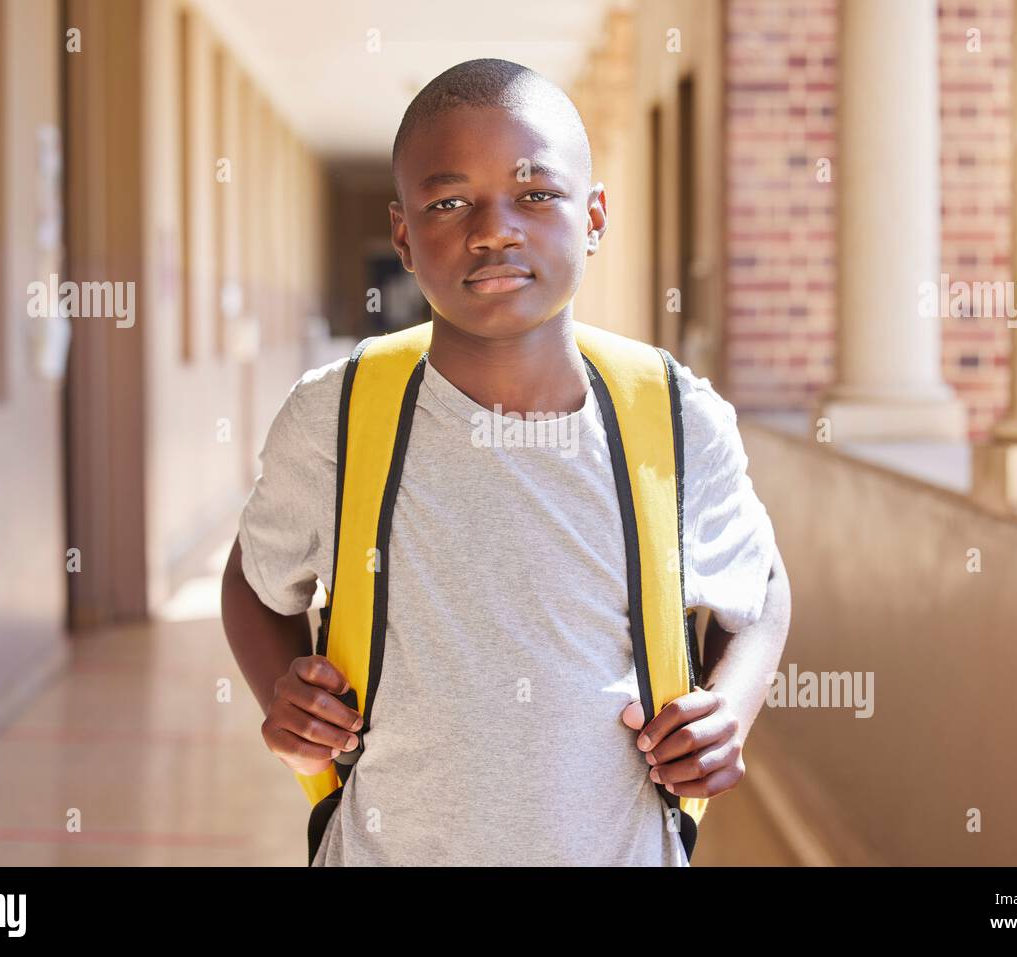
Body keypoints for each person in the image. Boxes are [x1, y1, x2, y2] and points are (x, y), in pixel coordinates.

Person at [220, 58, 791, 866]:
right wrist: (289, 700)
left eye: (536, 194)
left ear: (594, 216)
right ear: (402, 235)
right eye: (449, 202)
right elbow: (251, 576)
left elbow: (763, 585)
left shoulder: (674, 416)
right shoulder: (337, 417)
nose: (493, 230)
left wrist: (728, 707)